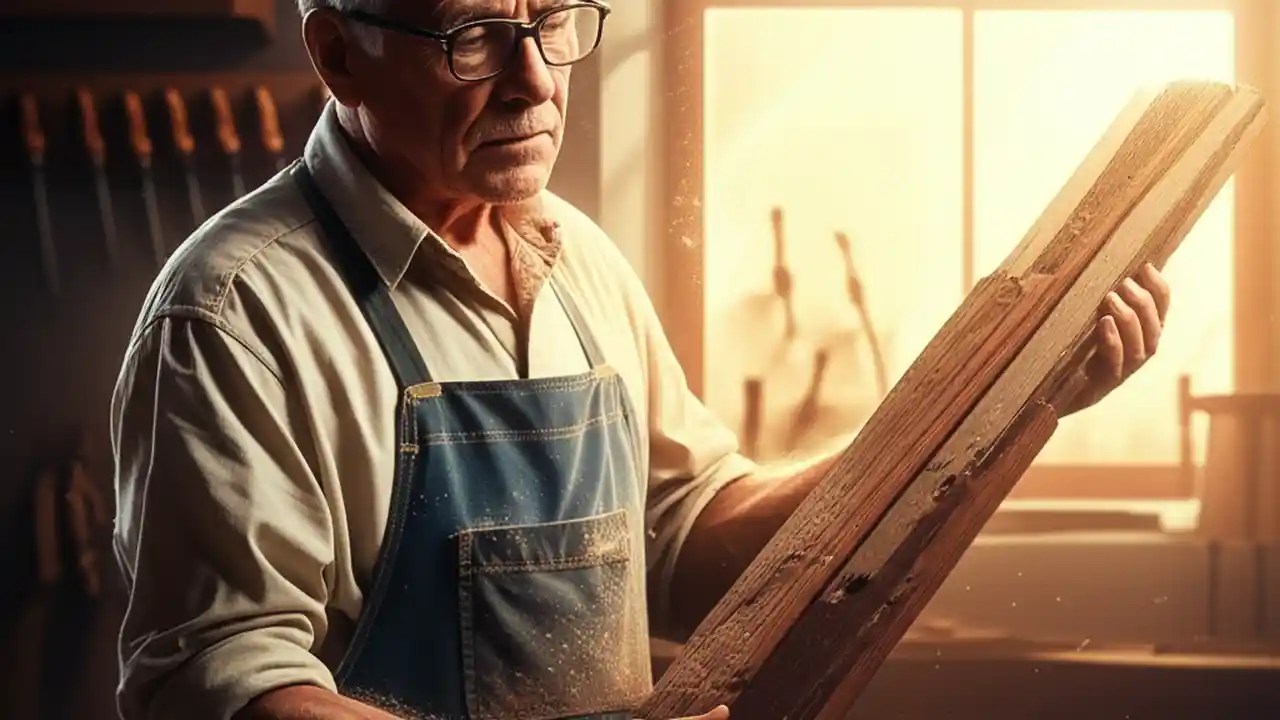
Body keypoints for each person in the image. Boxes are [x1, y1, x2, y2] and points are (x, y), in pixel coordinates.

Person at [109, 1, 1173, 719]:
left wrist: (986, 400)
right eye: (473, 34)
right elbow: (228, 691)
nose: (533, 80)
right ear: (340, 53)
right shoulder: (237, 315)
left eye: (549, 19)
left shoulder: (575, 259)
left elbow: (695, 542)